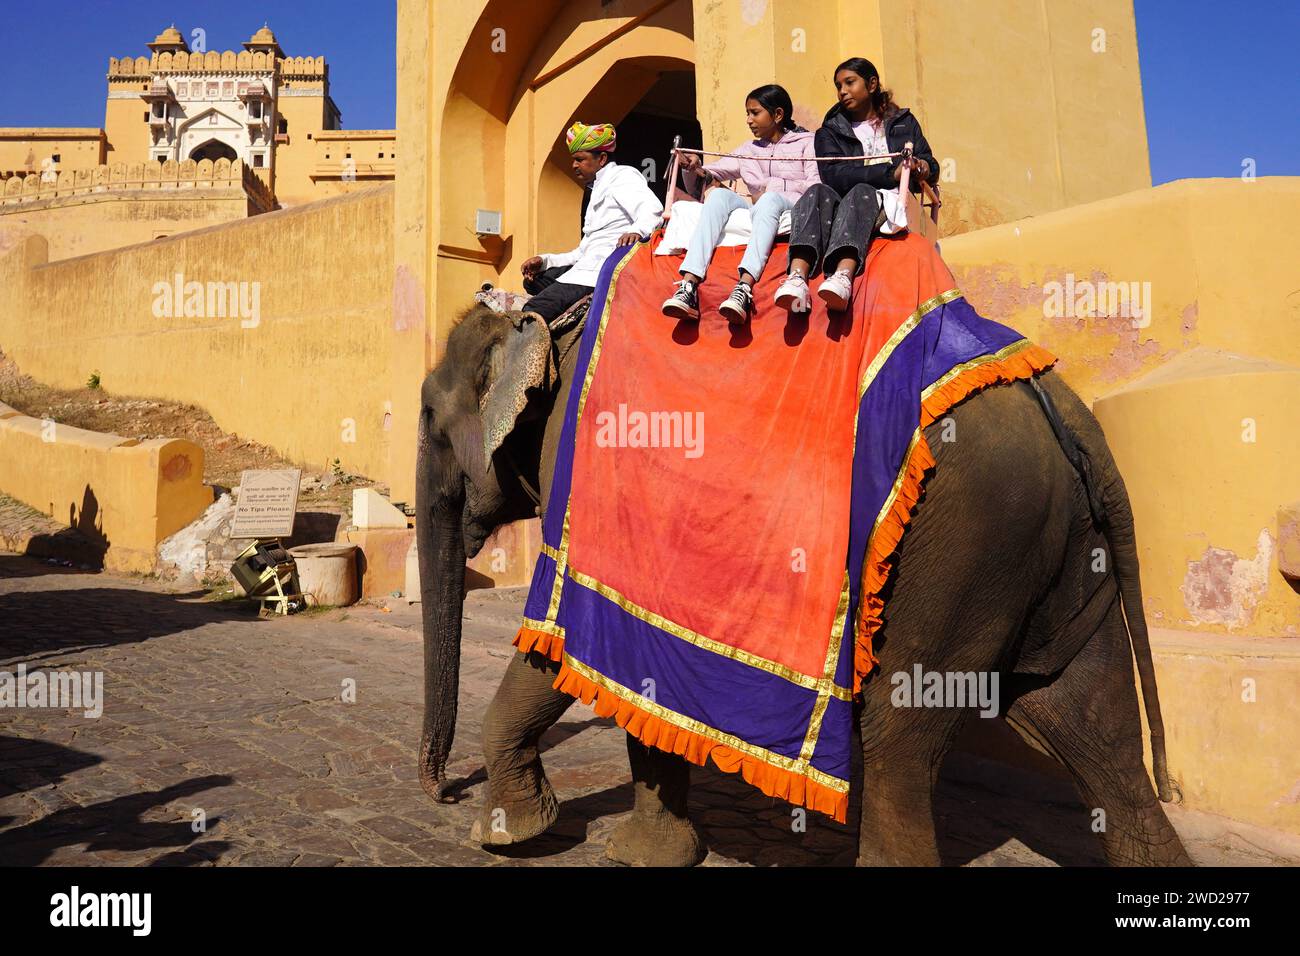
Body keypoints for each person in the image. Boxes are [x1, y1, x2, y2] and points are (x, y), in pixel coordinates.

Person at [773, 57, 940, 313]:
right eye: (838, 86)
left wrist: (924, 168)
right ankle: (796, 278)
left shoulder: (903, 122)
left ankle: (842, 276)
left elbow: (931, 164)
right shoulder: (830, 131)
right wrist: (889, 172)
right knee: (817, 191)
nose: (842, 91)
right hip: (845, 202)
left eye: (849, 83)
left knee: (862, 191)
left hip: (893, 203)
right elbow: (834, 175)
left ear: (871, 84)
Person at [662, 85, 818, 321]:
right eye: (747, 113)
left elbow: (814, 186)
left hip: (790, 207)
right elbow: (711, 172)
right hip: (759, 209)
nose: (748, 120)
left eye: (755, 113)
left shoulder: (807, 142)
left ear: (777, 115)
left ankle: (743, 288)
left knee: (769, 199)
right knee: (719, 196)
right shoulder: (748, 150)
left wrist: (774, 187)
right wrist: (692, 166)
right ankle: (689, 285)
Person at [520, 122, 664, 322]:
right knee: (533, 280)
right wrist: (545, 261)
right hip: (585, 264)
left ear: (602, 158)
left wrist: (638, 231)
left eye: (580, 159)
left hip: (597, 271)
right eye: (574, 159)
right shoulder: (596, 188)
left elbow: (652, 209)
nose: (574, 165)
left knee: (534, 309)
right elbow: (582, 253)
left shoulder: (621, 176)